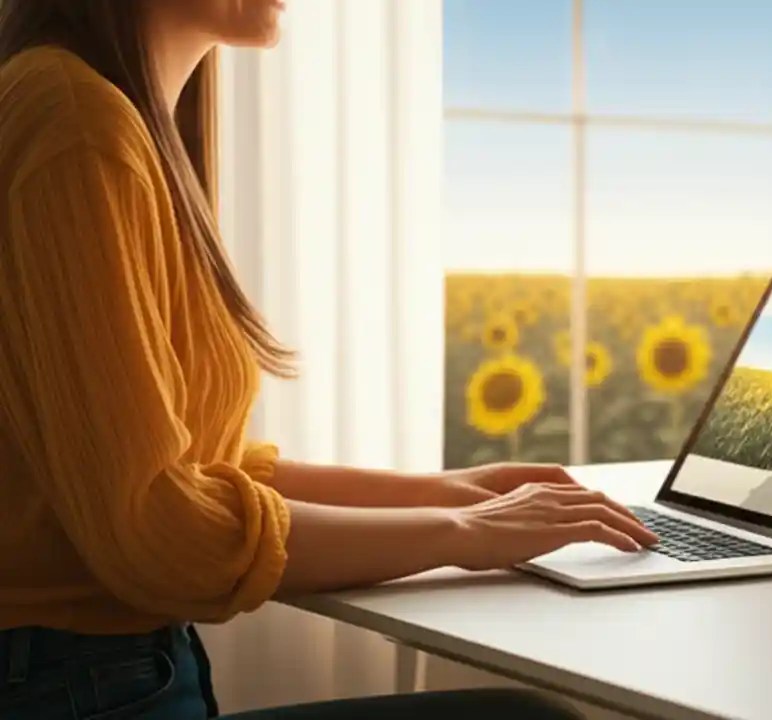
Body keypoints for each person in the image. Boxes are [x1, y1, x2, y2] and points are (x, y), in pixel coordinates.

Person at [0, 1, 660, 718]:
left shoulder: (94, 110)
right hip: (73, 688)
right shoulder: (77, 125)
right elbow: (155, 527)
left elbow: (191, 467)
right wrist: (464, 533)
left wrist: (446, 492)